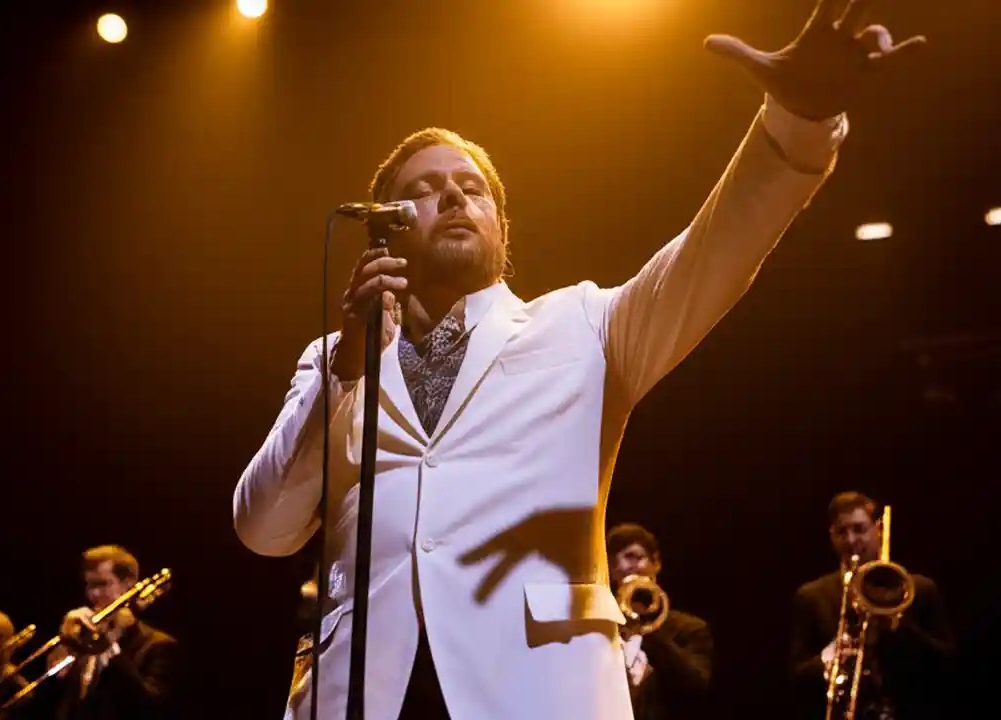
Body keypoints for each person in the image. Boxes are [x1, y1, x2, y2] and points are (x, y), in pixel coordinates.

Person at [233, 3, 927, 718]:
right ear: (385, 230)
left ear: (500, 226)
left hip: (537, 688)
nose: (452, 195)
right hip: (364, 696)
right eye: (423, 189)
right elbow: (264, 528)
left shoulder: (585, 325)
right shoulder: (335, 359)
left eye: (472, 188)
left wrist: (796, 120)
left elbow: (714, 250)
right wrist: (348, 368)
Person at [788, 492, 954, 719]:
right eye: (841, 532)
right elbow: (797, 674)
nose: (851, 540)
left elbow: (948, 663)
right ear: (831, 536)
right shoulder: (811, 596)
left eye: (859, 529)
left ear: (877, 530)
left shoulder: (918, 589)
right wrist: (830, 657)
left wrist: (898, 626)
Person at [47, 544, 178, 720]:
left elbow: (149, 708)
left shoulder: (158, 645)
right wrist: (65, 644)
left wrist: (106, 648)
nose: (93, 594)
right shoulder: (82, 641)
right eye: (89, 585)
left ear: (128, 585)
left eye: (101, 584)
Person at [607, 523, 713, 719]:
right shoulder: (600, 628)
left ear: (656, 564)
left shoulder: (689, 628)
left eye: (636, 557)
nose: (627, 566)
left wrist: (650, 631)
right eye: (617, 560)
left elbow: (696, 684)